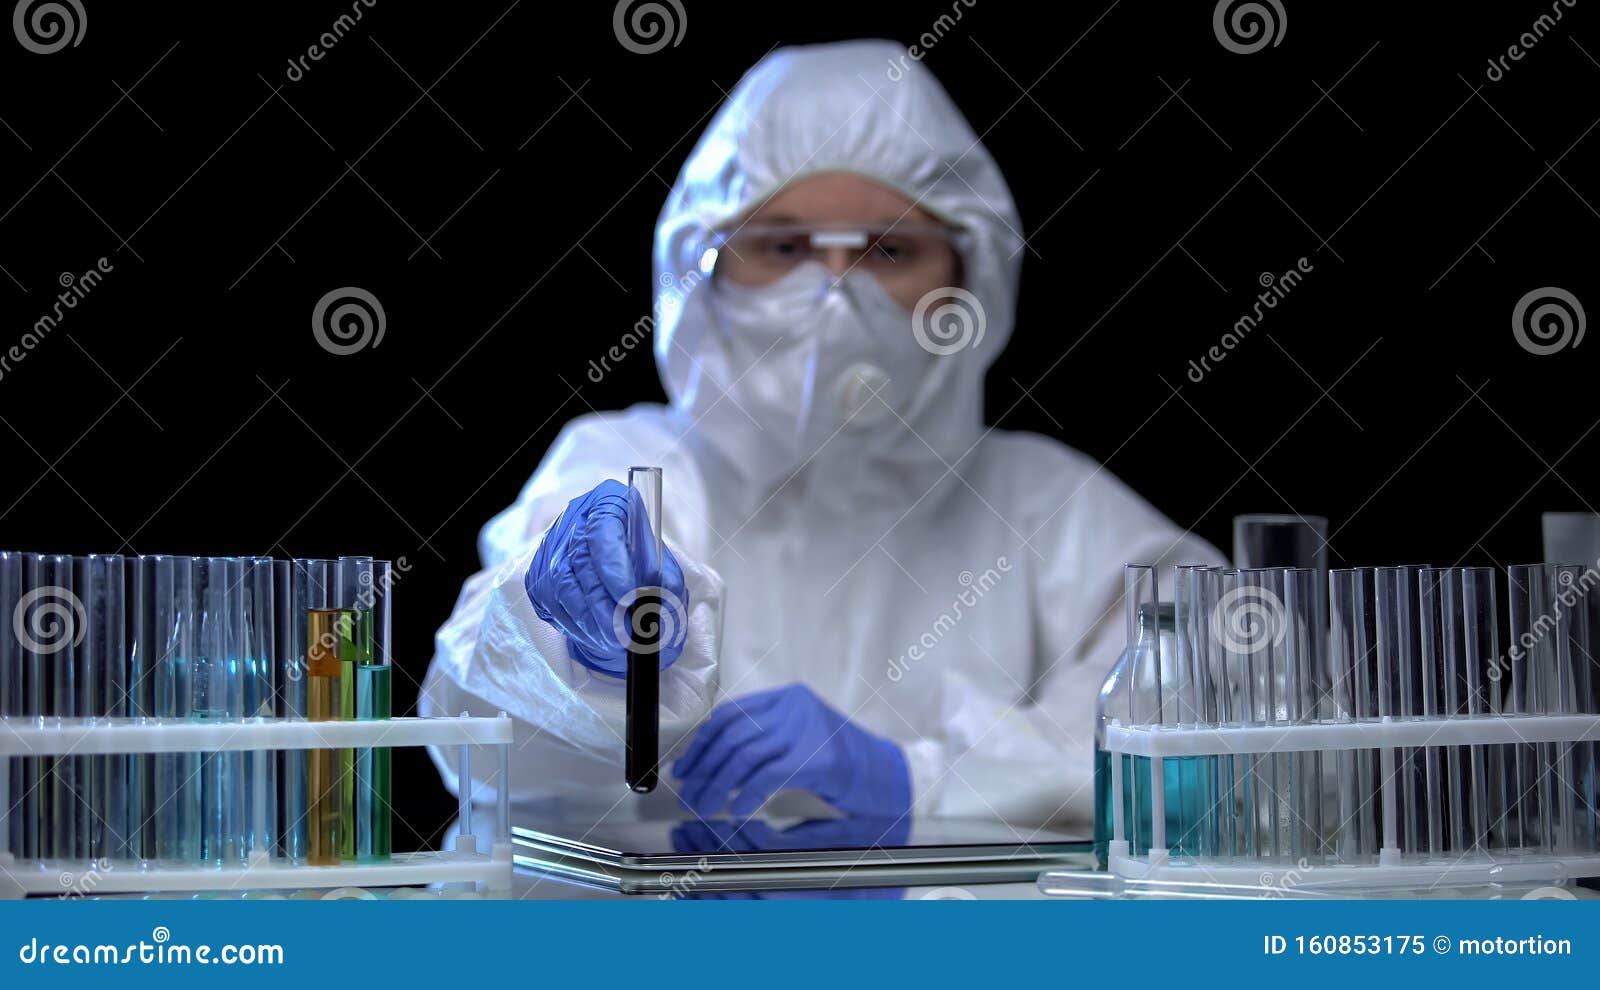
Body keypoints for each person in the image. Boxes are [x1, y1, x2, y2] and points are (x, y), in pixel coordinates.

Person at [421, 39, 1220, 834]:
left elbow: (1226, 711)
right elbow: (480, 744)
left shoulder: (1044, 503)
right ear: (704, 270)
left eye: (890, 249)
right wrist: (567, 653)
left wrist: (921, 784)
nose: (836, 294)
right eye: (783, 246)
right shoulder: (630, 471)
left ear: (968, 276)